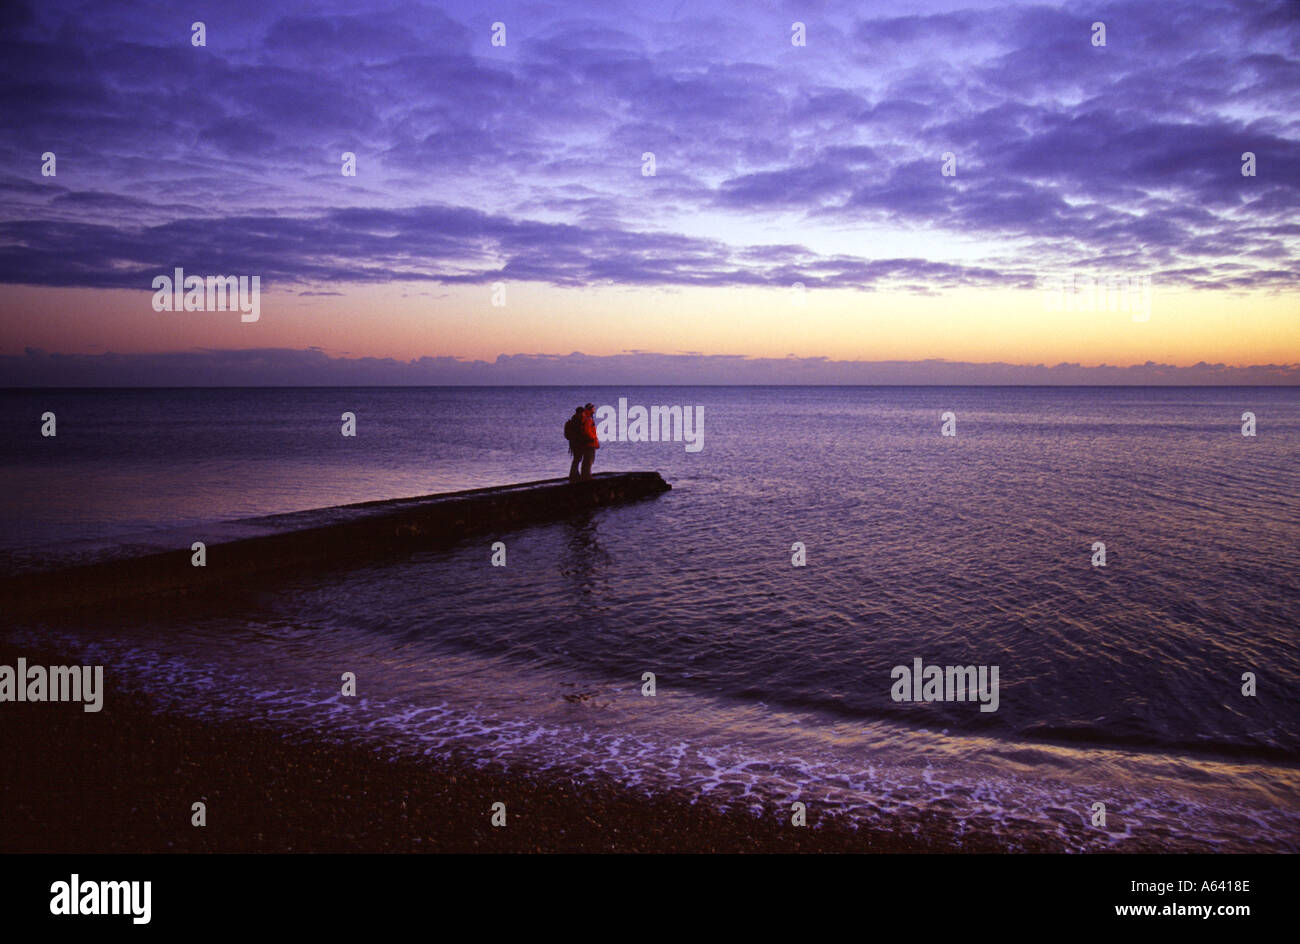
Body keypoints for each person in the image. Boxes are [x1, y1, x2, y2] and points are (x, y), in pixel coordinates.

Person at [578, 402, 599, 481]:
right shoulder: (588, 418)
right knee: (589, 460)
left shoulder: (587, 417)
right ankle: (587, 477)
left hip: (588, 443)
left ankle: (585, 476)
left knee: (587, 460)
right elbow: (587, 431)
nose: (594, 410)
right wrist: (593, 439)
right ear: (590, 409)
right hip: (590, 443)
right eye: (593, 408)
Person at [564, 406, 585, 482]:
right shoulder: (576, 421)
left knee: (577, 459)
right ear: (580, 413)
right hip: (576, 443)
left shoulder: (573, 421)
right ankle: (573, 475)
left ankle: (575, 474)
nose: (583, 414)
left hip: (574, 443)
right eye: (583, 413)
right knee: (577, 459)